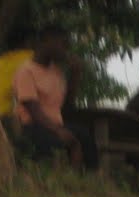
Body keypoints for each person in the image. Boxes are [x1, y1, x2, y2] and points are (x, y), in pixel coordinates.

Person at [13, 26, 96, 169]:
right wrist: (58, 130)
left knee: (85, 137)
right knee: (50, 140)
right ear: (46, 42)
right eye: (63, 44)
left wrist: (75, 76)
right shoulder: (26, 71)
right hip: (33, 126)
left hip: (55, 125)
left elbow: (67, 107)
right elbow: (34, 111)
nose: (66, 49)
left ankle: (89, 180)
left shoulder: (56, 72)